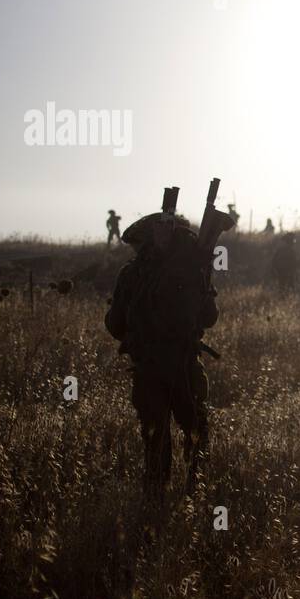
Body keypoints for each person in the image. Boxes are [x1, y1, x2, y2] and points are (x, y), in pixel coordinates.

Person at [105, 194, 219, 504]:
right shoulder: (190, 269)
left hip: (149, 369)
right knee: (196, 431)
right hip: (184, 365)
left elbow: (115, 325)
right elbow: (209, 318)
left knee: (155, 439)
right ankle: (196, 494)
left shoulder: (131, 274)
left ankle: (155, 503)